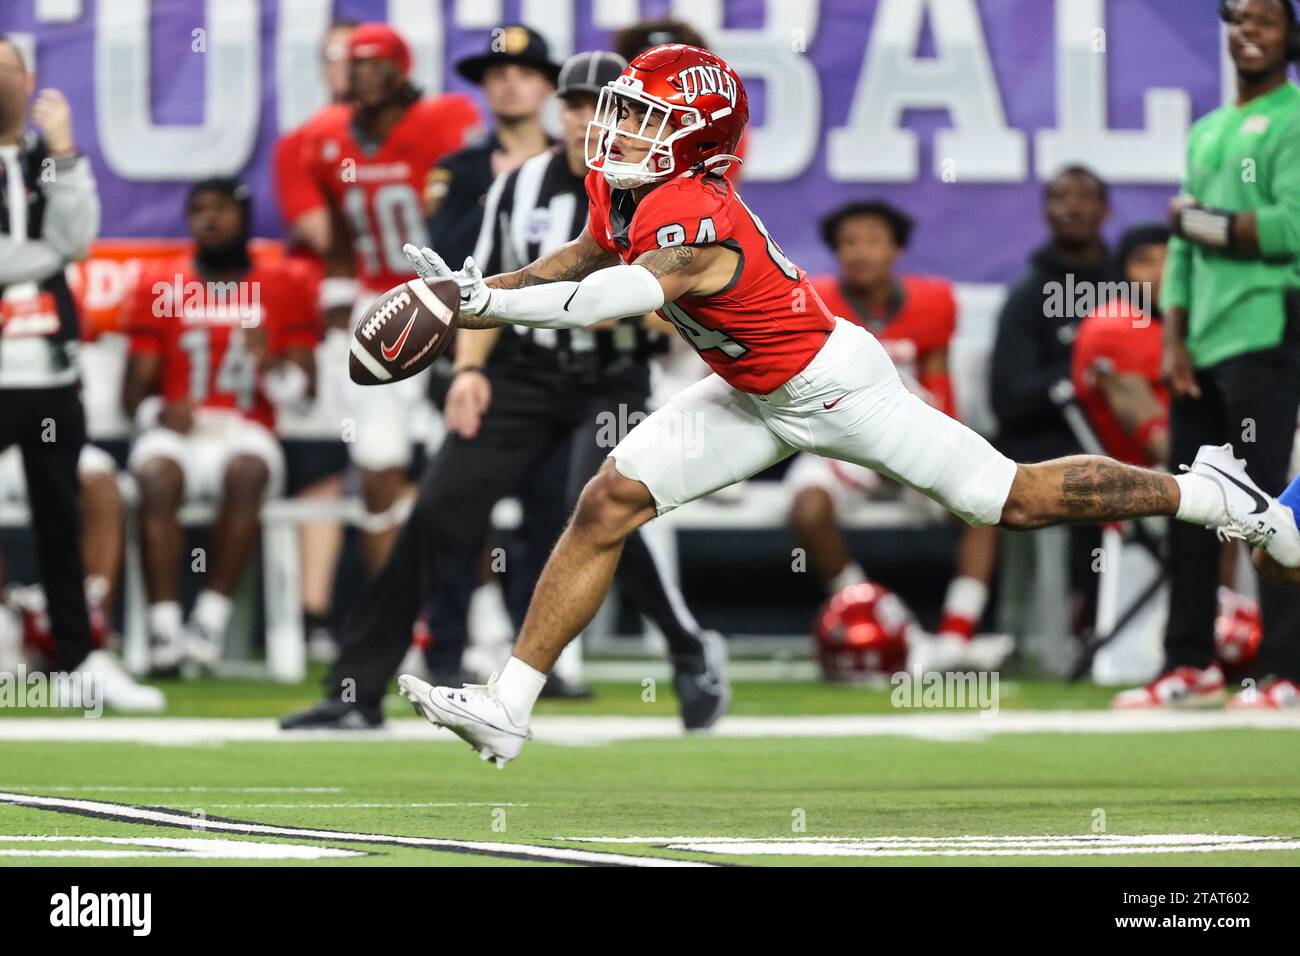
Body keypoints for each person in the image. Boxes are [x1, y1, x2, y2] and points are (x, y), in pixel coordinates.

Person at [393, 45, 1300, 767]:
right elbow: (581, 260)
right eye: (623, 111)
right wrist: (480, 283)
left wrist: (475, 305)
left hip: (833, 388)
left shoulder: (694, 209)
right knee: (608, 502)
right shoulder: (622, 187)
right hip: (751, 393)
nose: (617, 129)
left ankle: (1213, 495)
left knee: (1013, 499)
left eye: (642, 119)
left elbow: (606, 301)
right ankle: (508, 704)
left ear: (694, 140)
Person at [282, 51, 728, 732]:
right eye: (577, 105)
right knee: (437, 510)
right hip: (523, 373)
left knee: (603, 500)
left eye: (605, 105)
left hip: (611, 375)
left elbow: (668, 313)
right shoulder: (517, 184)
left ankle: (687, 647)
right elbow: (491, 288)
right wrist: (467, 371)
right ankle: (355, 691)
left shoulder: (666, 194)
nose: (589, 119)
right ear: (561, 112)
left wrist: (630, 304)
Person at [1127, 0, 1300, 710]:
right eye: (1236, 20)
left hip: (1266, 330)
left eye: (1263, 19)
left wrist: (1190, 220)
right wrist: (1173, 336)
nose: (1247, 32)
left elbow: (1289, 228)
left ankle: (1285, 673)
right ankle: (1188, 662)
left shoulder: (1293, 117)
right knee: (1194, 505)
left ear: (1289, 33)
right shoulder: (1208, 129)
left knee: (1269, 511)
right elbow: (1187, 254)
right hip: (1200, 344)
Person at [0, 34, 160, 710]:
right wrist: (45, 254)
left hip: (47, 373)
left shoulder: (48, 160)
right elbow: (52, 252)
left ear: (28, 79)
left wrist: (63, 154)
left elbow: (80, 236)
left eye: (5, 70)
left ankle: (79, 657)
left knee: (59, 517)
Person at [787, 200, 1008, 674]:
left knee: (984, 502)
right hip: (842, 444)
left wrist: (942, 453)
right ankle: (866, 613)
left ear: (896, 250)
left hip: (914, 439)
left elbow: (940, 383)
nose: (859, 251)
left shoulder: (932, 302)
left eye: (872, 240)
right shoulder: (813, 300)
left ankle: (955, 635)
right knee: (808, 506)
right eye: (848, 242)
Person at [298, 22, 480, 575]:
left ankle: (482, 609)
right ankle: (391, 615)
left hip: (450, 299)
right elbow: (336, 235)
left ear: (404, 72)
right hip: (381, 304)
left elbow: (477, 215)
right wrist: (336, 309)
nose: (366, 75)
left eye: (379, 64)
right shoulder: (329, 139)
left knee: (469, 463)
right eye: (357, 64)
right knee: (378, 467)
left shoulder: (444, 123)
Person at [122, 178, 318, 676]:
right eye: (198, 210)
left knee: (248, 471)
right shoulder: (160, 286)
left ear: (246, 216)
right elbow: (132, 398)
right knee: (155, 474)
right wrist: (159, 412)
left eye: (221, 209)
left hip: (245, 429)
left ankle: (210, 620)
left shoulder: (283, 284)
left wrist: (269, 363)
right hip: (180, 433)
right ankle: (165, 627)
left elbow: (304, 393)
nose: (209, 220)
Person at [990, 165, 1113, 642]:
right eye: (1062, 197)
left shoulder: (1133, 284)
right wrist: (1077, 378)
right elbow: (1007, 400)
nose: (1075, 207)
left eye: (1086, 197)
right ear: (1046, 211)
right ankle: (1087, 627)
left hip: (1130, 434)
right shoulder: (1026, 296)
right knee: (1086, 482)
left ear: (1105, 209)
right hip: (1050, 440)